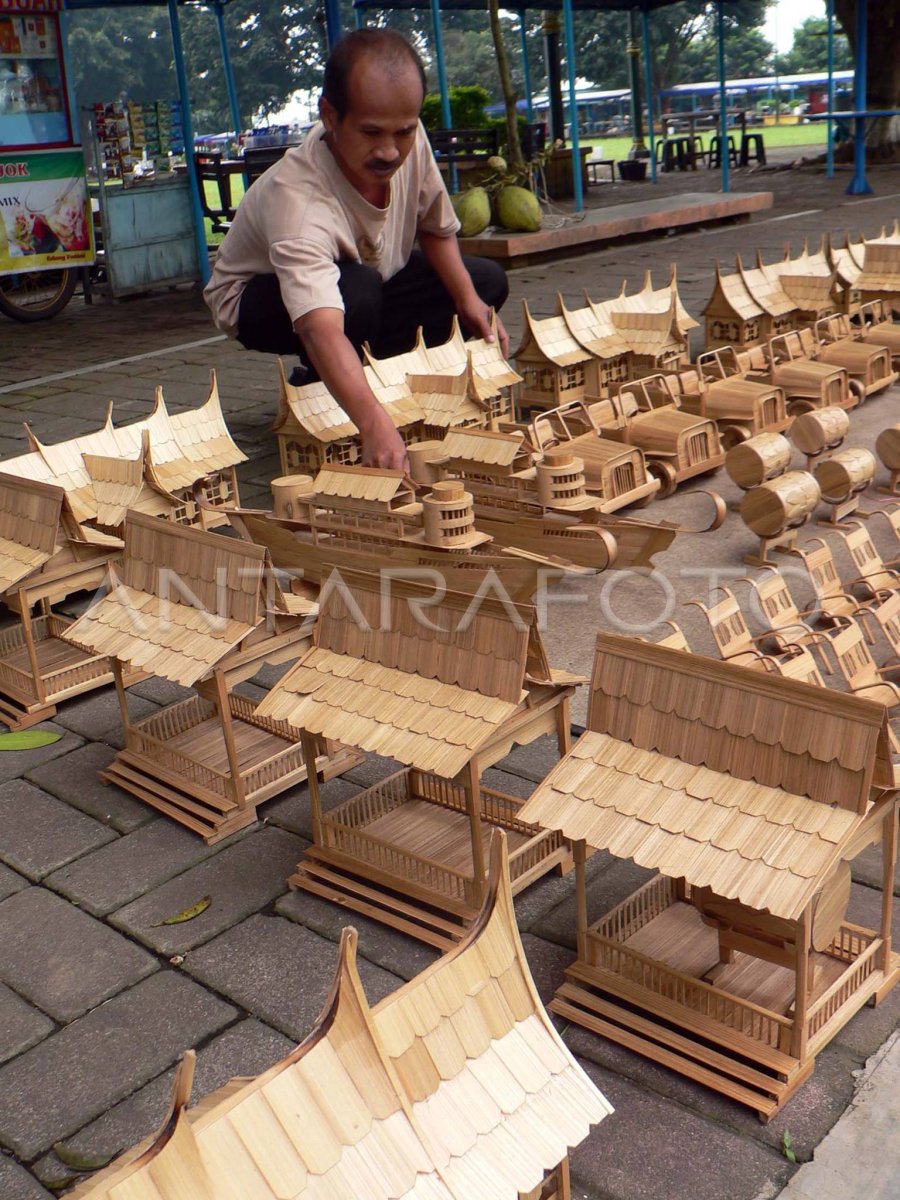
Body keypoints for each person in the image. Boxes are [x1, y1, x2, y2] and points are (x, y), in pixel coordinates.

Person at [204, 28, 509, 469]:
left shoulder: (411, 137)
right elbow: (319, 325)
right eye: (370, 133)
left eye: (402, 132)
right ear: (330, 115)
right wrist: (374, 424)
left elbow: (437, 229)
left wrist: (467, 302)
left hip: (368, 277)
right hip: (257, 297)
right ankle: (324, 378)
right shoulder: (299, 199)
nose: (389, 151)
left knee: (484, 282)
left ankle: (366, 371)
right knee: (357, 294)